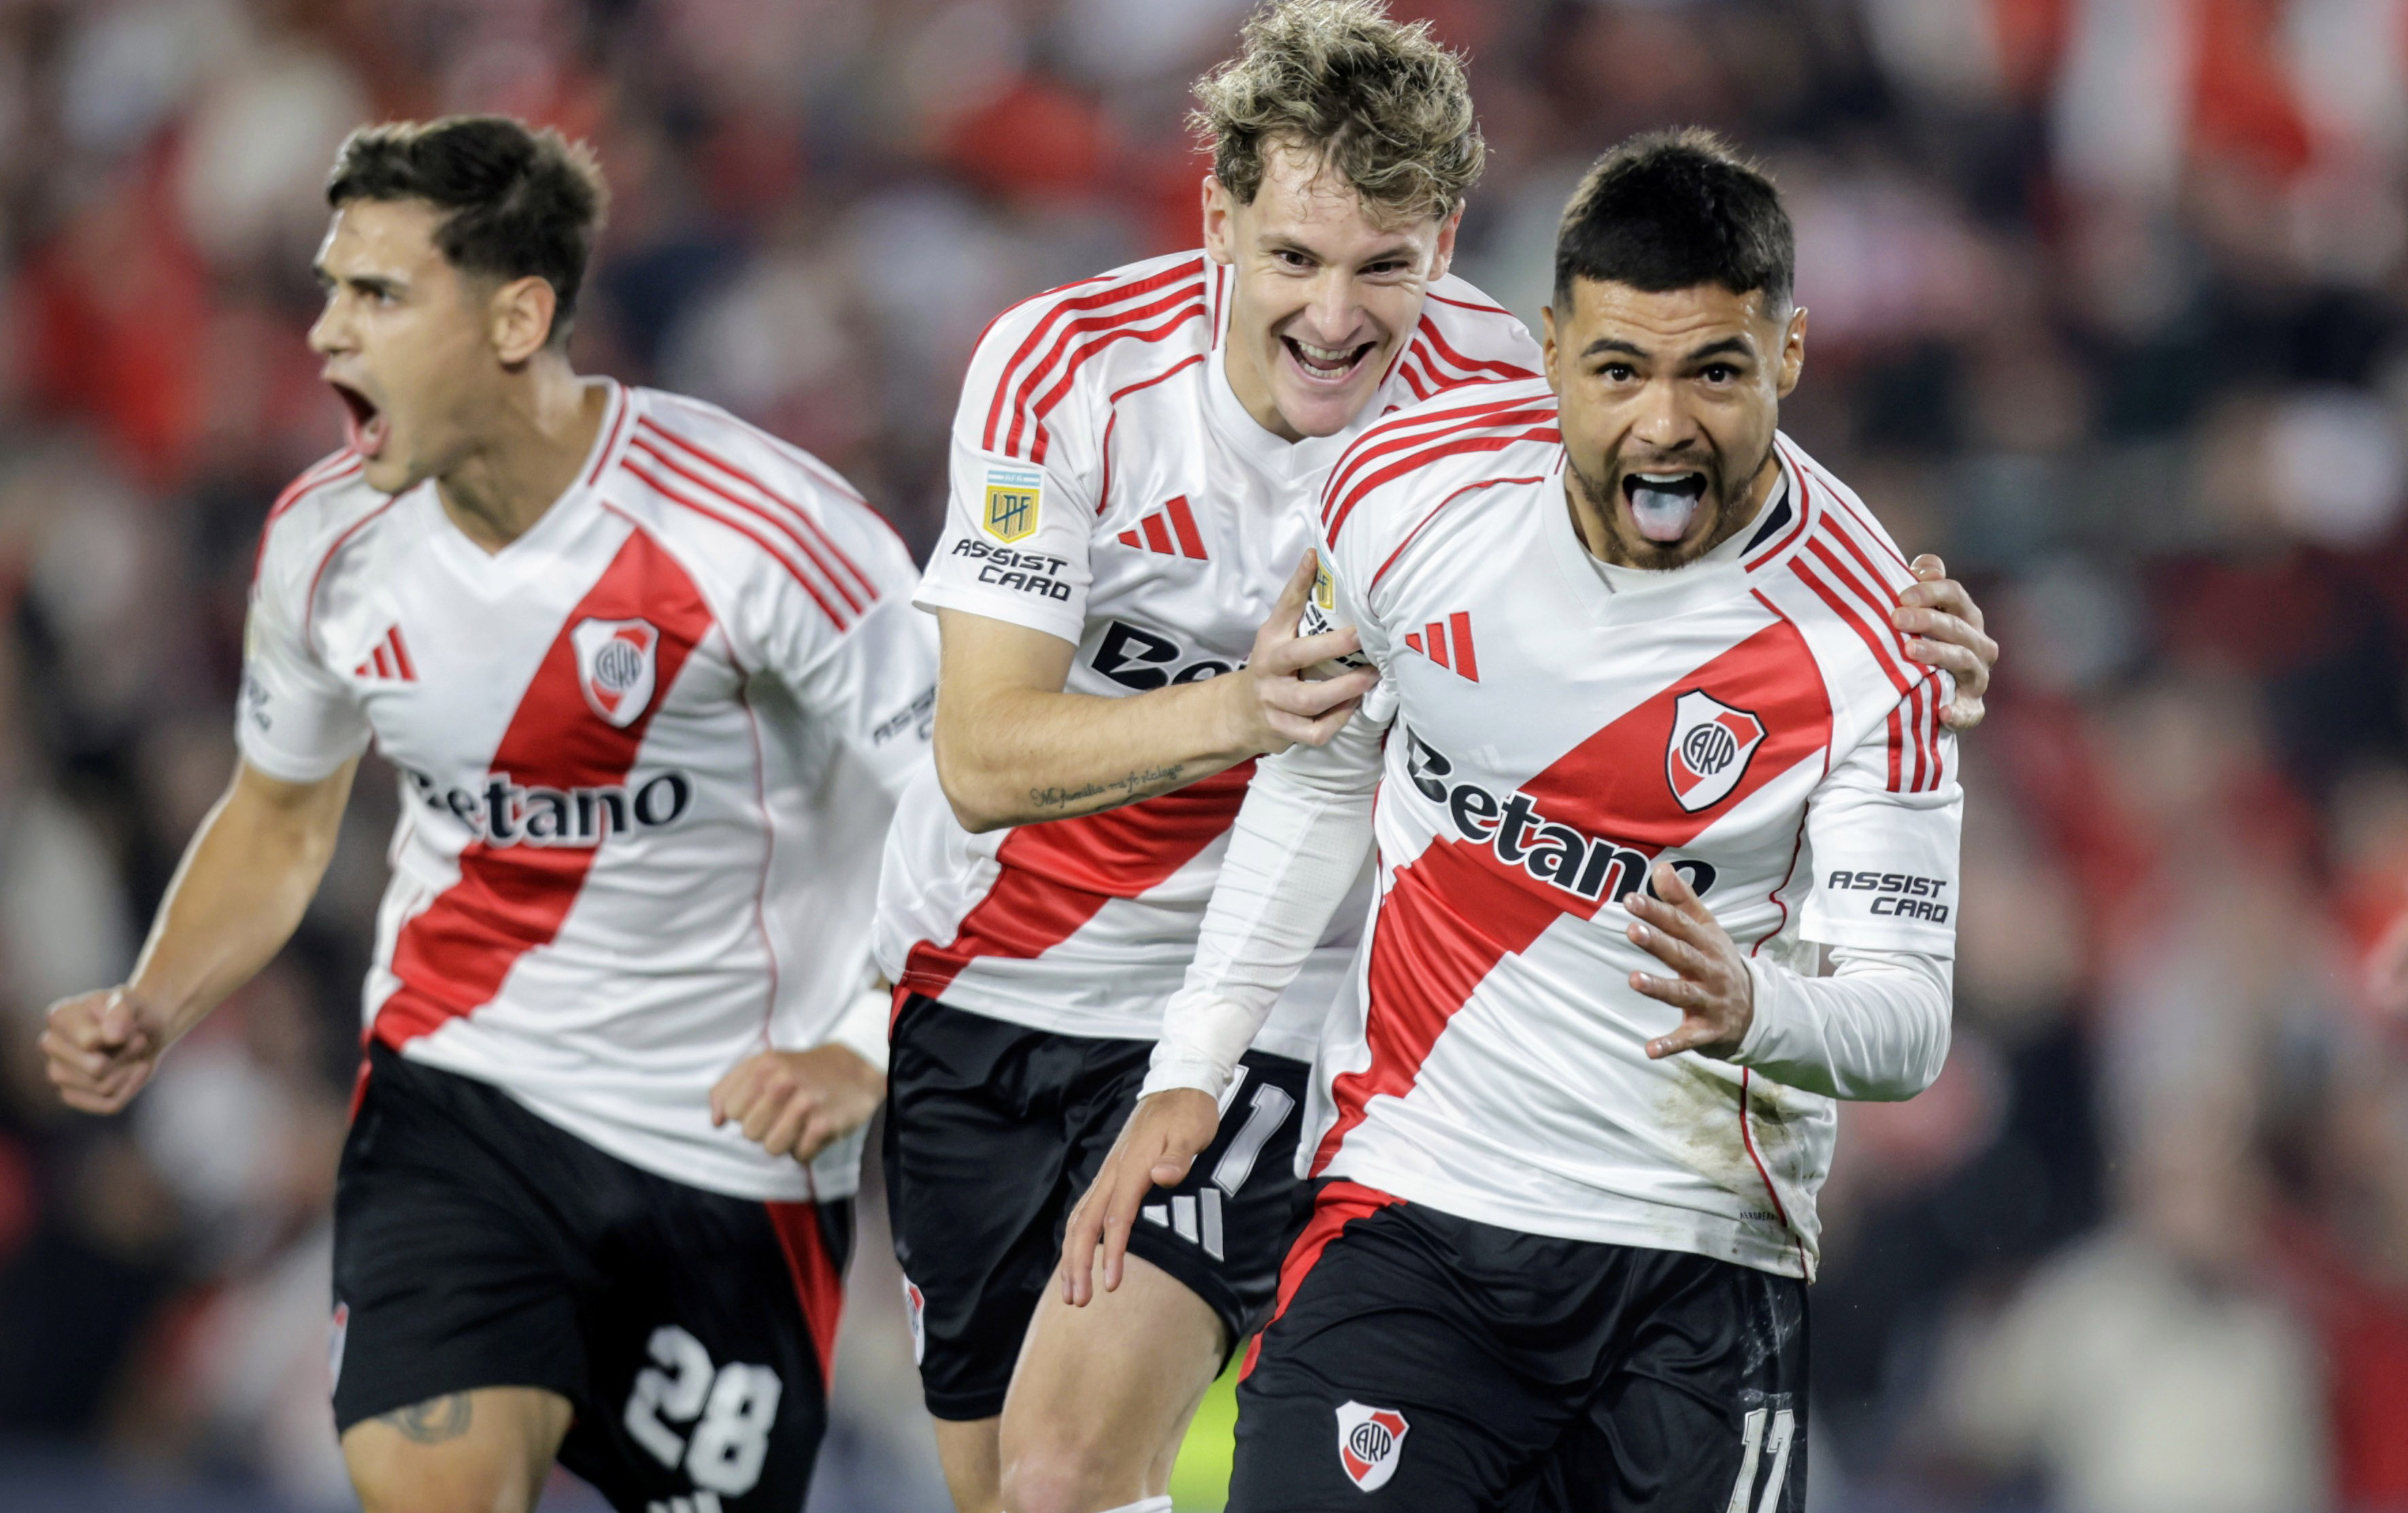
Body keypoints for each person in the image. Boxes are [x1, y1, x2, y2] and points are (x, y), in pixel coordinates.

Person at [876, 5, 1995, 1510]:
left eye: (1385, 266)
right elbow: (982, 758)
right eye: (1294, 258)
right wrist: (1247, 705)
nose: (1336, 315)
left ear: (1447, 244)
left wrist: (1901, 626)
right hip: (991, 972)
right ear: (1217, 220)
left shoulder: (1498, 395)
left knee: (1065, 1472)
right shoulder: (1065, 372)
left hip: (1288, 995)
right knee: (996, 1490)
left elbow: (1697, 443)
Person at [37, 116, 936, 1513]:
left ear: (518, 319)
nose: (328, 333)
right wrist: (160, 996)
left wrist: (862, 1046)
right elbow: (278, 819)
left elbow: (963, 814)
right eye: (330, 290)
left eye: (379, 295)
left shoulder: (765, 534)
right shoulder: (326, 543)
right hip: (460, 1102)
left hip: (729, 1142)